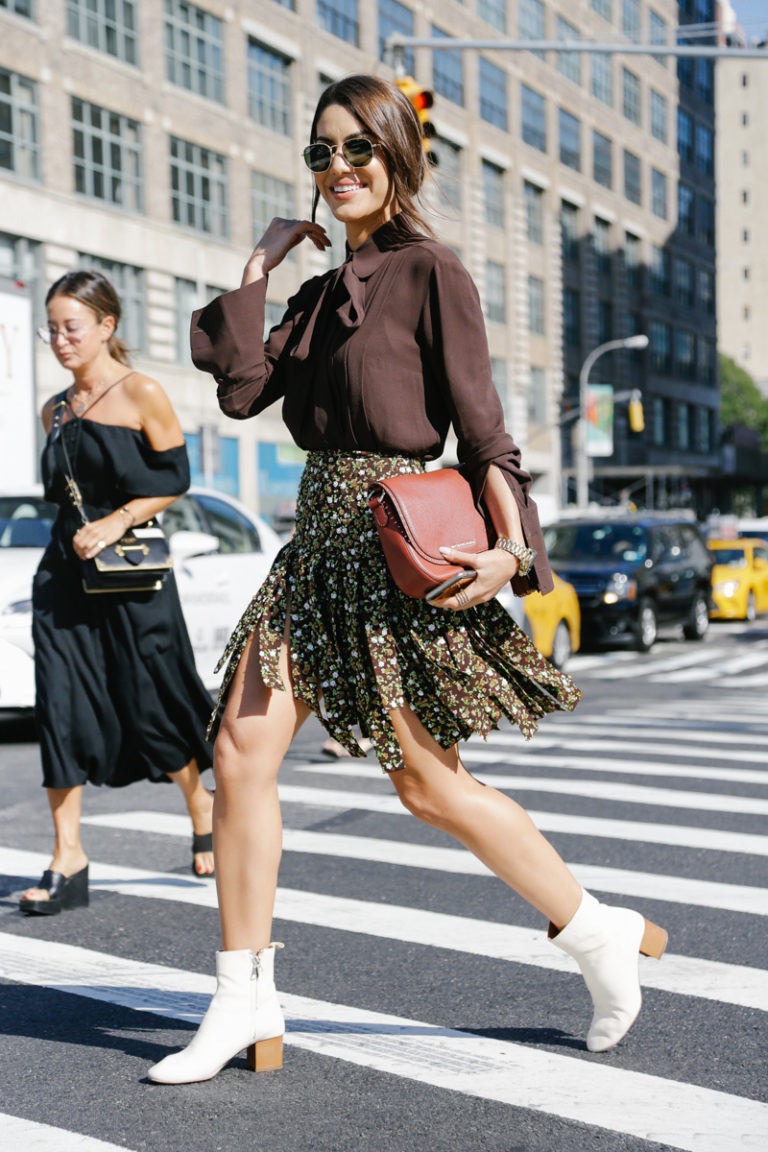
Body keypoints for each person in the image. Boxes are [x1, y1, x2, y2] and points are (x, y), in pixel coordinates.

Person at [148, 75, 667, 1084]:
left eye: (358, 152)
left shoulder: (434, 273)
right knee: (240, 753)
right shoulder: (316, 296)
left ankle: (594, 930)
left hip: (390, 552)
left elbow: (484, 433)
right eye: (322, 154)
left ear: (398, 160)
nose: (337, 170)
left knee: (426, 785)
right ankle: (242, 997)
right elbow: (248, 387)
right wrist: (259, 262)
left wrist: (513, 553)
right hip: (314, 552)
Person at [19, 270, 217, 917]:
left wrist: (118, 519)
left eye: (70, 327)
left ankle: (199, 804)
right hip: (63, 577)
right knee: (62, 707)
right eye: (51, 328)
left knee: (150, 699)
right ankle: (67, 857)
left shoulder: (143, 393)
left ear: (107, 326)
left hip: (131, 573)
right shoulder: (53, 410)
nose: (59, 339)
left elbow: (176, 478)